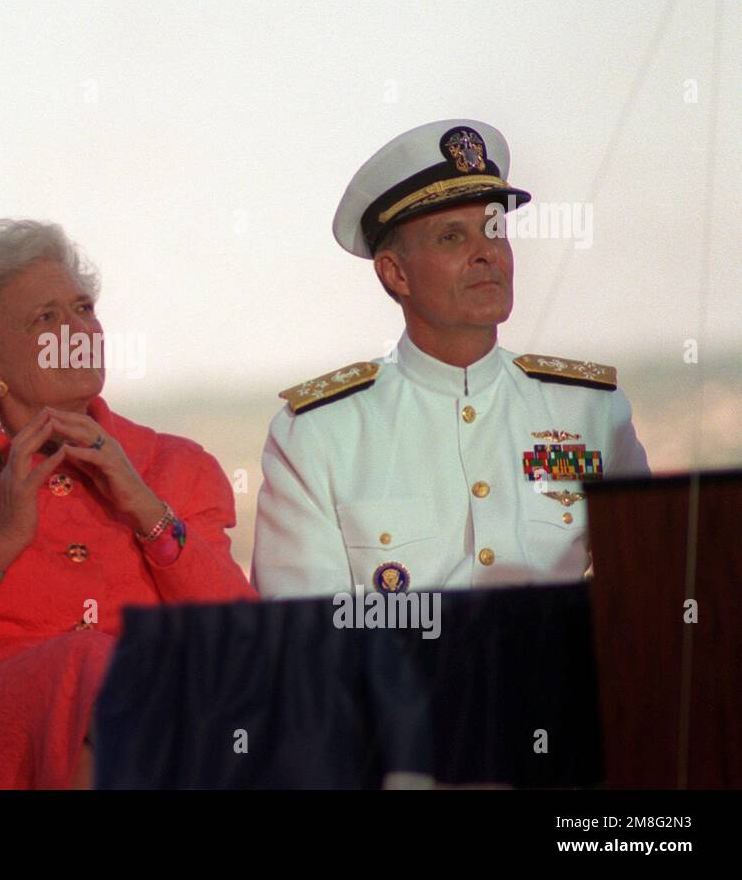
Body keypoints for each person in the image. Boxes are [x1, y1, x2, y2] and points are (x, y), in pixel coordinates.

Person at [0, 219, 256, 789]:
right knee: (88, 665)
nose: (78, 329)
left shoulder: (174, 466)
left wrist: (147, 511)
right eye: (46, 319)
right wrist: (0, 545)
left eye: (83, 308)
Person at [252, 120, 649, 598]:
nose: (486, 254)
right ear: (395, 273)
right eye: (451, 238)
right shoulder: (319, 436)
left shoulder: (589, 412)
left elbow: (647, 586)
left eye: (493, 230)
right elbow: (309, 636)